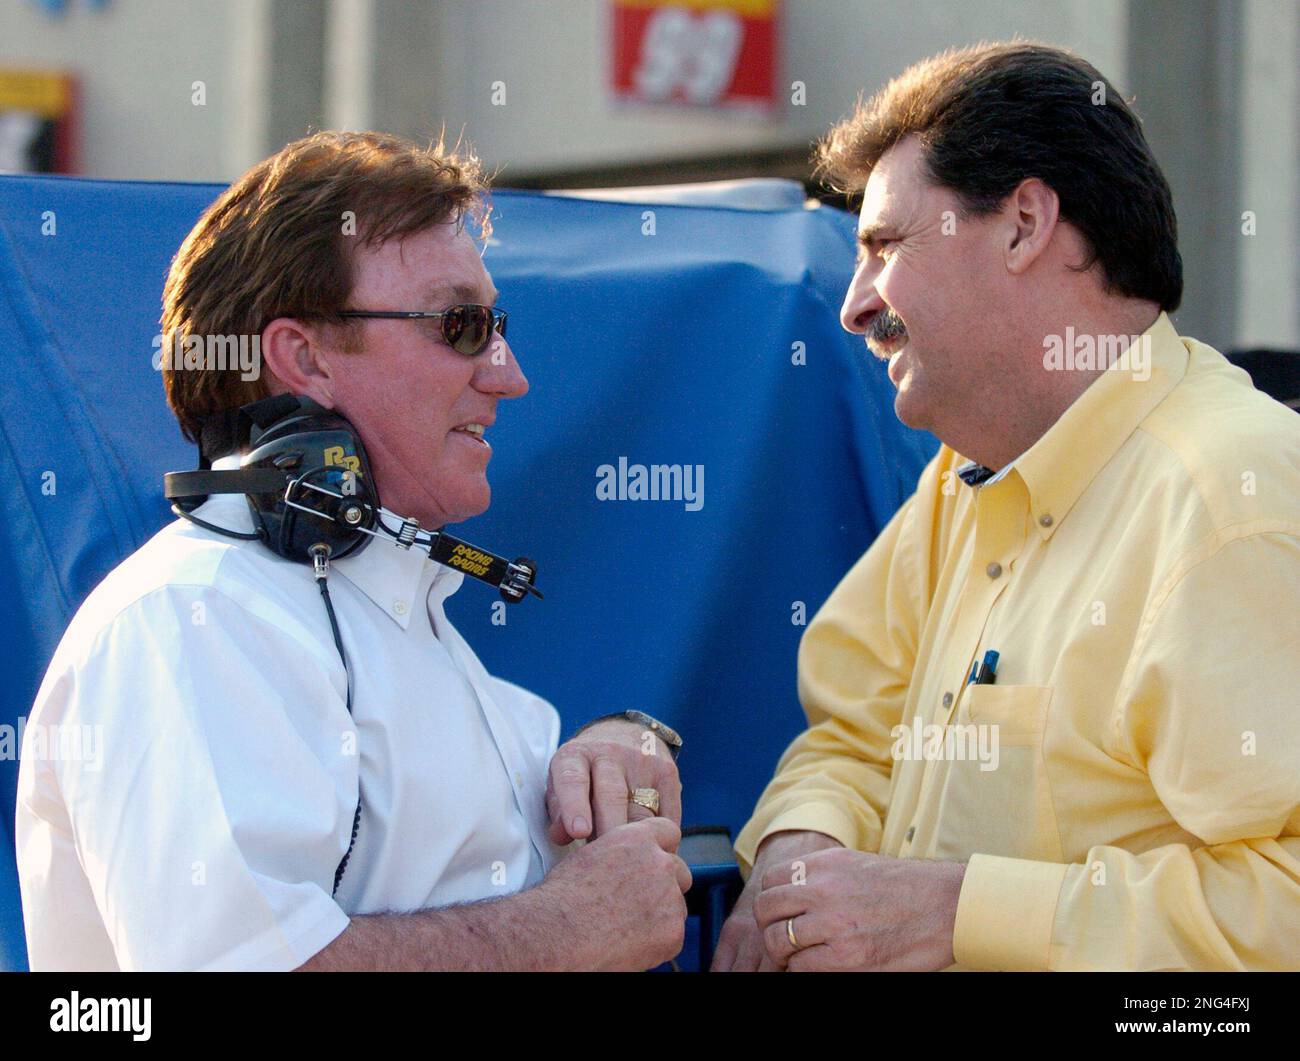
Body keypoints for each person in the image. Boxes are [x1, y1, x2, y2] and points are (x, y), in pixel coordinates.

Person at [16, 131, 688, 972]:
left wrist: (621, 741)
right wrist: (570, 929)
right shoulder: (190, 616)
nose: (508, 374)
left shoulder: (389, 606)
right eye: (463, 325)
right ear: (304, 359)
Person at [714, 41, 1300, 972]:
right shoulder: (965, 476)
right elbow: (859, 732)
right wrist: (803, 861)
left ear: (1025, 222)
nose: (854, 306)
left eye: (883, 246)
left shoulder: (1233, 495)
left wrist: (957, 913)